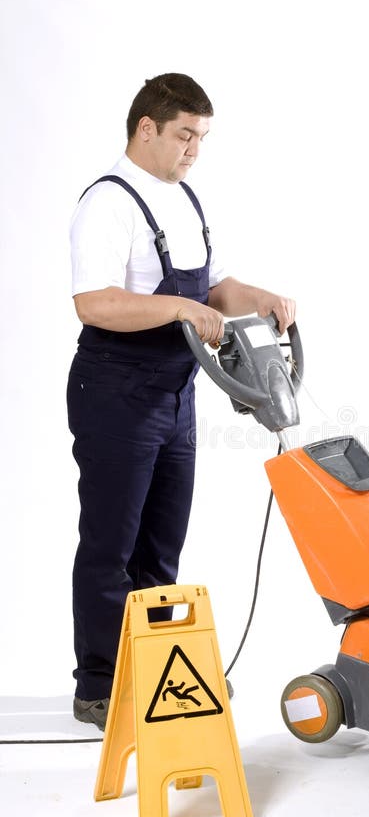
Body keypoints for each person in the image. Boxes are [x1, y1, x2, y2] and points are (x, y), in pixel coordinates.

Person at [67, 73, 295, 730]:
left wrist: (263, 299)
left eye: (202, 137)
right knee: (112, 543)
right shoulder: (107, 204)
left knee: (161, 547)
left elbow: (216, 289)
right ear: (147, 128)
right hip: (114, 391)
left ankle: (157, 678)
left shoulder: (185, 199)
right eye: (185, 135)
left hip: (175, 393)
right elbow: (96, 302)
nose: (195, 149)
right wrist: (179, 308)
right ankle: (100, 687)